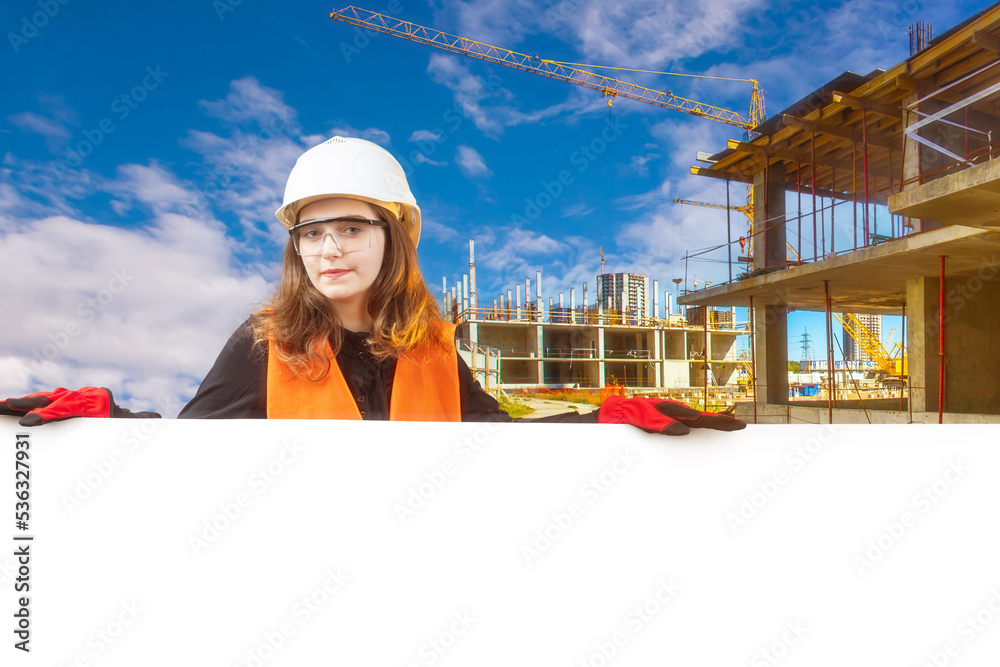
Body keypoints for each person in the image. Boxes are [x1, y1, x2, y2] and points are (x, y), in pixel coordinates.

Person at [1, 137, 744, 436]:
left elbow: (500, 446)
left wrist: (602, 418)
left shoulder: (430, 349)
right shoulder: (263, 343)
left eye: (351, 229)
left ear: (395, 238)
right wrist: (111, 418)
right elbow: (194, 450)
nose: (329, 249)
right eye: (312, 233)